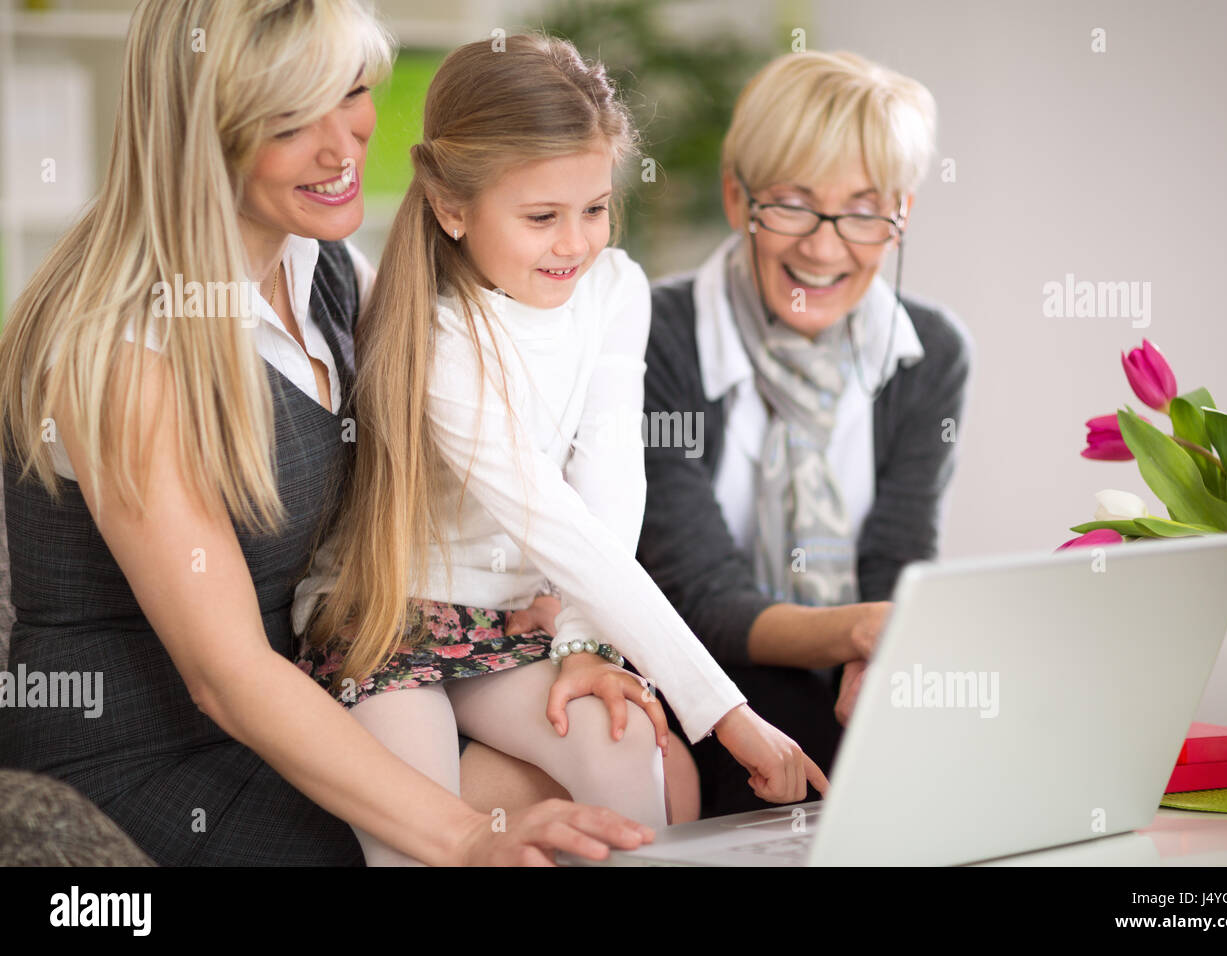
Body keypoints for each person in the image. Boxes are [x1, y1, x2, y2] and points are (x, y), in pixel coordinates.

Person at [0, 0, 639, 867]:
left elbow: (442, 470)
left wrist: (540, 602)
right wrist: (458, 835)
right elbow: (225, 676)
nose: (344, 147)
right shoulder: (120, 347)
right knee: (557, 821)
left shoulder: (323, 261)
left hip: (315, 691)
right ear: (202, 133)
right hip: (154, 765)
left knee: (628, 762)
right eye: (291, 121)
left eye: (352, 92)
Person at [294, 31, 828, 865]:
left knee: (622, 745)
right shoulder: (438, 333)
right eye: (542, 217)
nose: (576, 243)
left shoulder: (615, 292)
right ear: (451, 205)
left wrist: (586, 638)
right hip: (387, 622)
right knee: (418, 829)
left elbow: (610, 487)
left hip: (518, 621)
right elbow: (552, 520)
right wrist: (727, 714)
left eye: (595, 208)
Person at [636, 50, 975, 817]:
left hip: (849, 665)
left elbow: (898, 564)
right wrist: (858, 632)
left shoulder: (931, 354)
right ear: (736, 198)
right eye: (791, 204)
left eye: (863, 211)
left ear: (903, 215)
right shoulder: (658, 336)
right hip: (698, 673)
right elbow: (695, 596)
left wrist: (876, 647)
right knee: (786, 704)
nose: (824, 249)